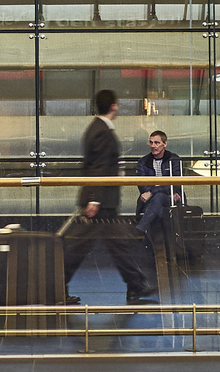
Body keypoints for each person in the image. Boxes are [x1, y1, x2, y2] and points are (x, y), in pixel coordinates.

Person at [61, 90, 157, 305]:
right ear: (114, 106)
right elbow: (99, 167)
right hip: (100, 203)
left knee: (116, 245)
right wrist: (94, 199)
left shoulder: (97, 128)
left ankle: (136, 287)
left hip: (101, 201)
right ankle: (56, 287)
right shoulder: (102, 131)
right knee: (81, 248)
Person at [136, 130, 187, 271]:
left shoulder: (173, 160)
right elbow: (142, 186)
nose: (153, 146)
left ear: (165, 144)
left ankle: (142, 232)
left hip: (170, 198)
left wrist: (152, 191)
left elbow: (174, 185)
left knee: (157, 197)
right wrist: (157, 191)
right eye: (151, 142)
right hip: (153, 203)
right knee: (159, 212)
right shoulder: (143, 162)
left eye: (157, 143)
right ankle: (168, 255)